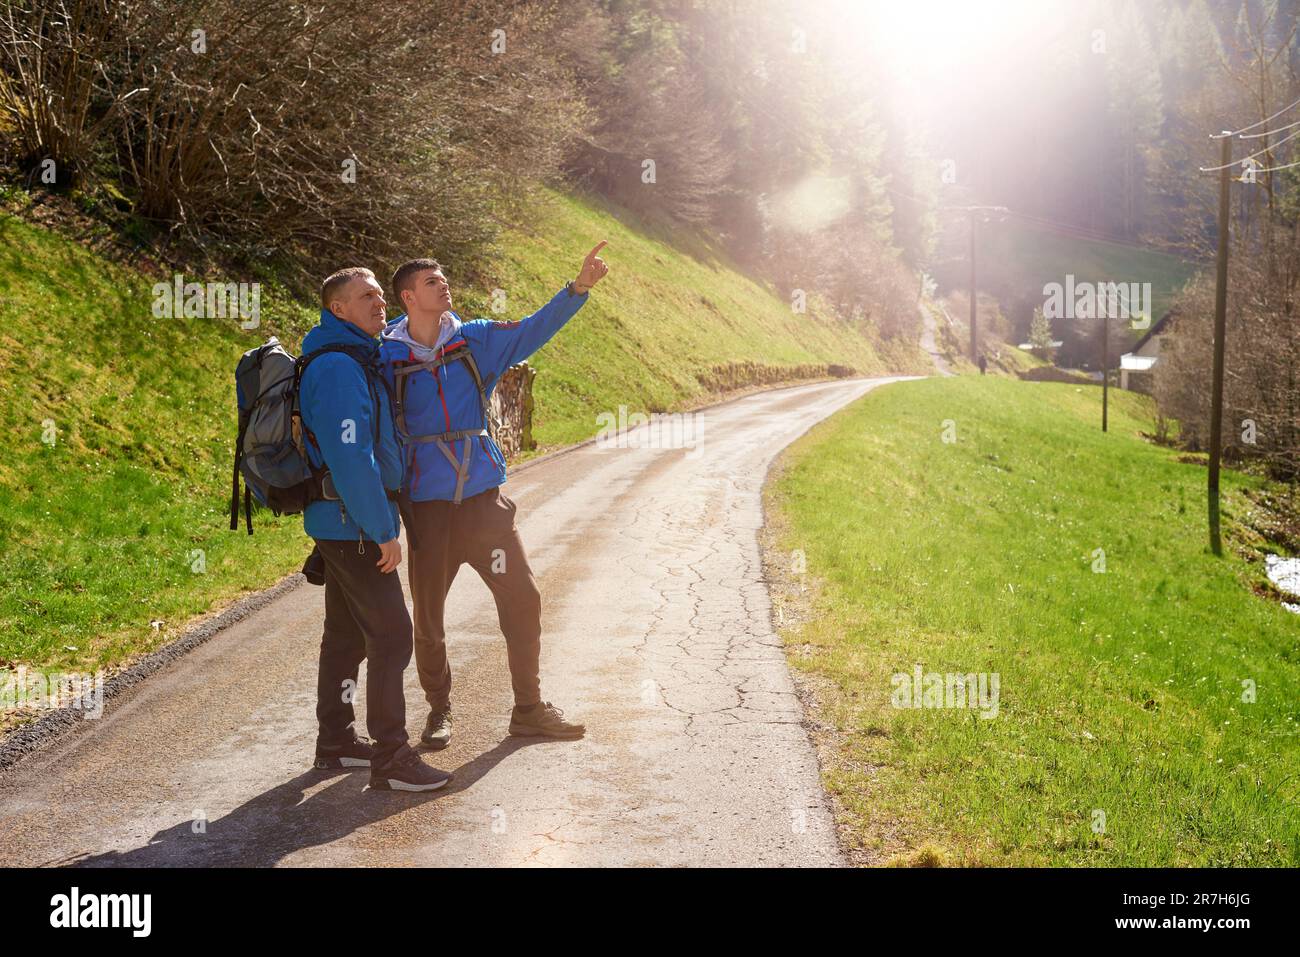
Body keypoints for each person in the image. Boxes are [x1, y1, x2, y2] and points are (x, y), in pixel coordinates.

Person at [379, 243, 610, 749]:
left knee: (523, 600)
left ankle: (528, 709)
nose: (443, 285)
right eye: (431, 281)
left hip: (484, 506)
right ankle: (439, 710)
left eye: (444, 278)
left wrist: (577, 290)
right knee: (430, 619)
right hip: (427, 513)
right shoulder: (383, 357)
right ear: (407, 297)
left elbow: (531, 330)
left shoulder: (475, 339)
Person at [300, 266, 452, 792]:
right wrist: (384, 528)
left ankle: (337, 741)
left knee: (345, 638)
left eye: (382, 297)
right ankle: (391, 757)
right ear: (337, 308)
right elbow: (351, 458)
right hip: (354, 523)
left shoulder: (350, 357)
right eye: (366, 297)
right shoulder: (341, 367)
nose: (379, 304)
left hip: (341, 521)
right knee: (391, 636)